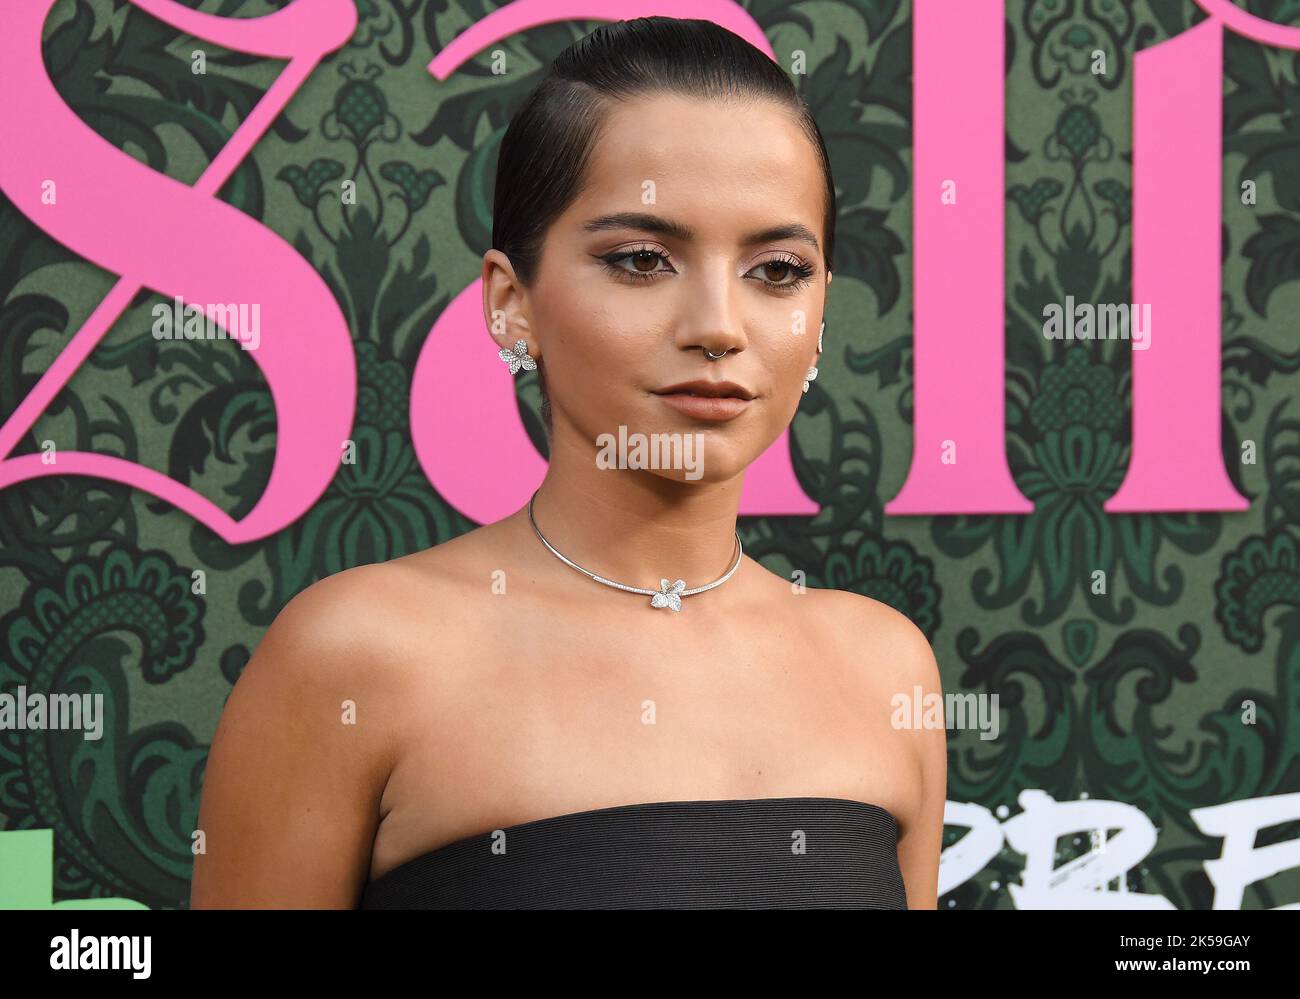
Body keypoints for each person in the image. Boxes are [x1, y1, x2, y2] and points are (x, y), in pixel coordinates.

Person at [190, 15, 945, 910]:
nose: (718, 325)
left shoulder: (885, 669)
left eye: (777, 269)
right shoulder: (355, 657)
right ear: (512, 302)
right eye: (640, 259)